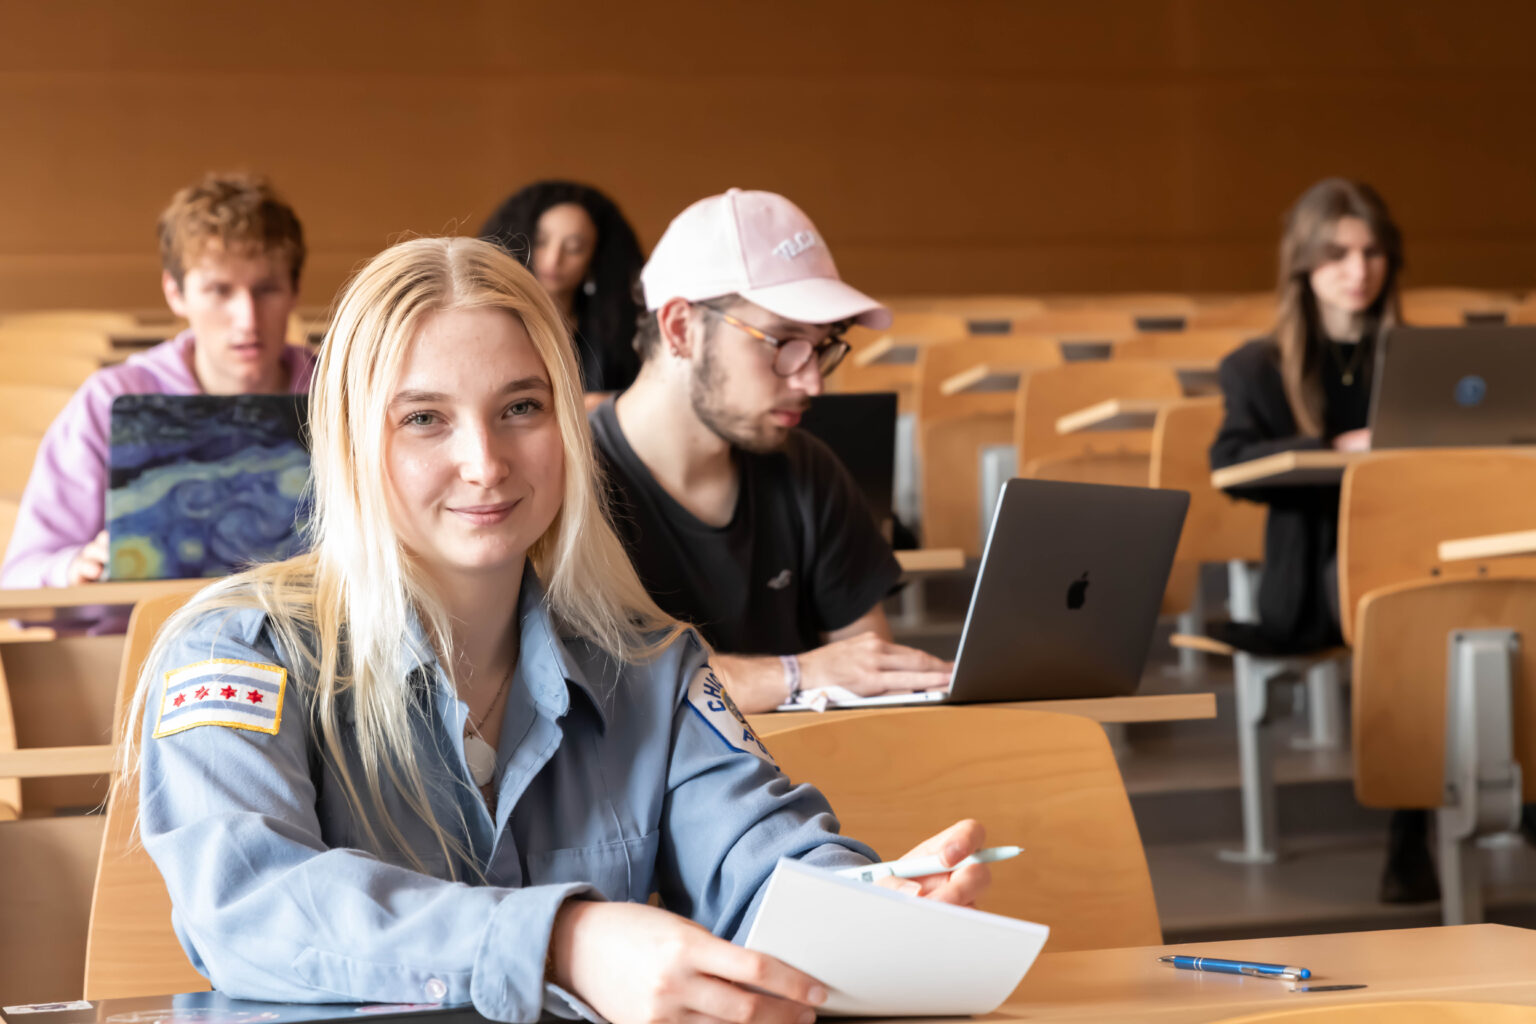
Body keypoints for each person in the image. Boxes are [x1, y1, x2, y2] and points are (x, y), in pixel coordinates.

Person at [125, 237, 990, 1024]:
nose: (486, 462)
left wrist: (869, 910)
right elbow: (247, 903)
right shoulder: (239, 651)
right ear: (354, 444)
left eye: (522, 408)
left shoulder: (649, 662)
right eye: (424, 418)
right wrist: (561, 941)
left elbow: (757, 854)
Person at [588, 189, 953, 714]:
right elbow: (613, 689)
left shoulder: (809, 469)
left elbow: (870, 679)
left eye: (823, 347)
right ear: (680, 328)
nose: (812, 383)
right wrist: (796, 673)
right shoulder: (570, 483)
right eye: (783, 343)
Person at [1207, 178, 1434, 904]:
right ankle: (1412, 835)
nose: (1358, 269)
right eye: (1337, 253)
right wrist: (1337, 448)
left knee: (1445, 607)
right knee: (1419, 617)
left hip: (1411, 555)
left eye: (1371, 253)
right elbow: (1231, 465)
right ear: (1304, 263)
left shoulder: (1423, 360)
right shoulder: (1257, 366)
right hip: (1312, 575)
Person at [1, 172, 315, 589]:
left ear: (294, 290)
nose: (247, 319)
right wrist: (75, 566)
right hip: (138, 646)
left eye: (266, 289)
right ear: (176, 293)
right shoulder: (112, 399)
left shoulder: (342, 392)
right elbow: (20, 575)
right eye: (219, 291)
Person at [480, 180, 644, 395]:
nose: (554, 258)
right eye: (540, 241)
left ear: (596, 258)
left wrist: (610, 403)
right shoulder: (489, 320)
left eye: (574, 248)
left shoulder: (615, 331)